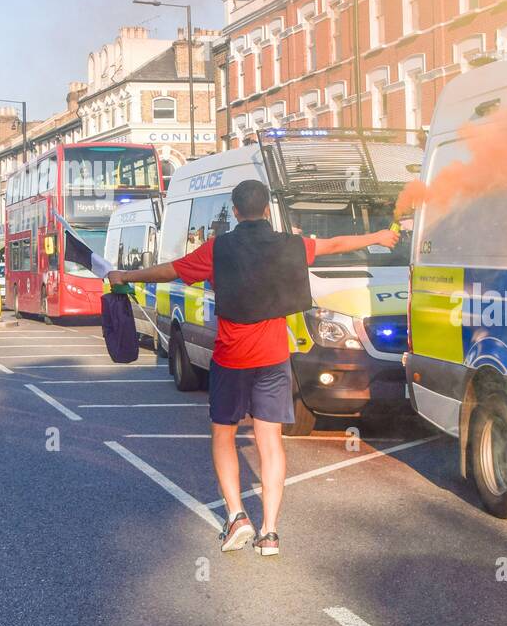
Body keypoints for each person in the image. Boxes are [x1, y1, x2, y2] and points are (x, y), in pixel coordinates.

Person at [108, 179, 397, 557]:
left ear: (236, 210)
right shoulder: (288, 245)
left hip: (231, 359)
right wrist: (376, 235)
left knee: (223, 436)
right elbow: (335, 244)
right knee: (270, 441)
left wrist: (124, 276)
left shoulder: (218, 248)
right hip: (274, 358)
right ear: (265, 210)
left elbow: (171, 271)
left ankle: (237, 516)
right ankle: (271, 531)